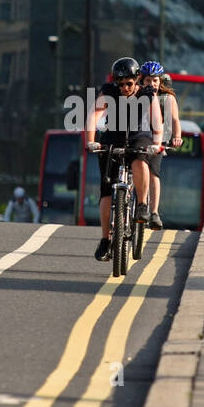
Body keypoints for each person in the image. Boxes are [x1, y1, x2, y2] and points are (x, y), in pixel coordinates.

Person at [85, 57, 163, 261]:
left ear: (137, 80)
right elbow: (93, 115)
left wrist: (156, 143)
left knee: (139, 159)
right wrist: (91, 141)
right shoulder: (109, 92)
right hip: (113, 137)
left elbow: (157, 122)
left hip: (138, 136)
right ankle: (105, 240)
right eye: (120, 84)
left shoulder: (147, 94)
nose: (125, 88)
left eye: (129, 83)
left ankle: (142, 205)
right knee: (106, 191)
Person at [138, 62, 182, 230]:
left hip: (157, 140)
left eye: (155, 80)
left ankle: (154, 213)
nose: (152, 84)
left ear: (160, 81)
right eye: (148, 80)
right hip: (139, 137)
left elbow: (175, 120)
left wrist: (177, 137)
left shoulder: (167, 98)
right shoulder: (136, 95)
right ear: (142, 81)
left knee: (153, 172)